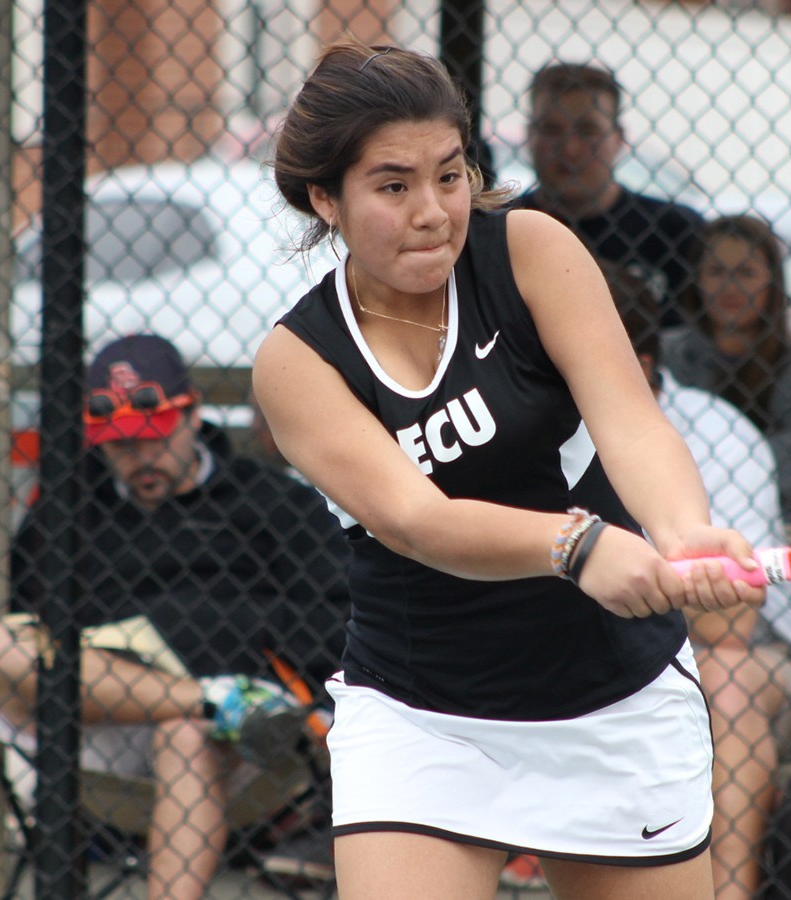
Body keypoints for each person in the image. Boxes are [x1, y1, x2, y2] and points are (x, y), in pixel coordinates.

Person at [254, 39, 764, 900]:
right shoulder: (299, 361)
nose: (432, 211)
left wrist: (681, 530)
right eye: (392, 185)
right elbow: (415, 520)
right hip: (424, 714)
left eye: (449, 175)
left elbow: (630, 419)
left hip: (611, 698)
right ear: (324, 199)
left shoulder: (529, 248)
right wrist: (580, 547)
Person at [0, 333, 350, 900]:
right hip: (95, 724)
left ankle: (212, 704)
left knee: (186, 734)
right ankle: (208, 696)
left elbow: (333, 617)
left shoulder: (273, 504)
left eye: (154, 438)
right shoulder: (68, 509)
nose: (140, 459)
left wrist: (212, 636)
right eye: (120, 446)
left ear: (193, 413)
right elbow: (35, 623)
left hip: (244, 740)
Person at [617, 266, 791, 900]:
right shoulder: (529, 423)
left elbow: (729, 625)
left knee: (728, 682)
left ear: (644, 363)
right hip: (605, 664)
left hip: (759, 666)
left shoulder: (718, 433)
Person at [661, 214, 791, 528]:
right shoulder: (669, 355)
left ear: (772, 280)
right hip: (683, 521)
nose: (730, 286)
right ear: (696, 278)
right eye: (716, 271)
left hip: (790, 523)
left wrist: (703, 472)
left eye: (746, 272)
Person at [510, 61, 703, 326]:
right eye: (551, 130)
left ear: (618, 138)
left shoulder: (677, 231)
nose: (570, 149)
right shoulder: (503, 227)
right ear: (530, 136)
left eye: (588, 131)